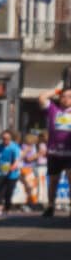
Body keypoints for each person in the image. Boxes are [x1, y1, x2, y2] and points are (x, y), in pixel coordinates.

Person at [44, 85, 71, 218]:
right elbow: (41, 97)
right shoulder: (53, 109)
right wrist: (57, 90)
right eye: (64, 96)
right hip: (54, 153)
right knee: (53, 181)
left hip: (69, 153)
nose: (66, 99)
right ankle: (50, 206)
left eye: (69, 97)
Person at [0, 129, 21, 215]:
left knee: (9, 192)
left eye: (7, 139)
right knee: (0, 190)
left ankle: (8, 207)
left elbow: (17, 160)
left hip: (12, 173)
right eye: (3, 138)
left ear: (10, 139)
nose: (5, 140)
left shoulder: (14, 147)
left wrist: (12, 167)